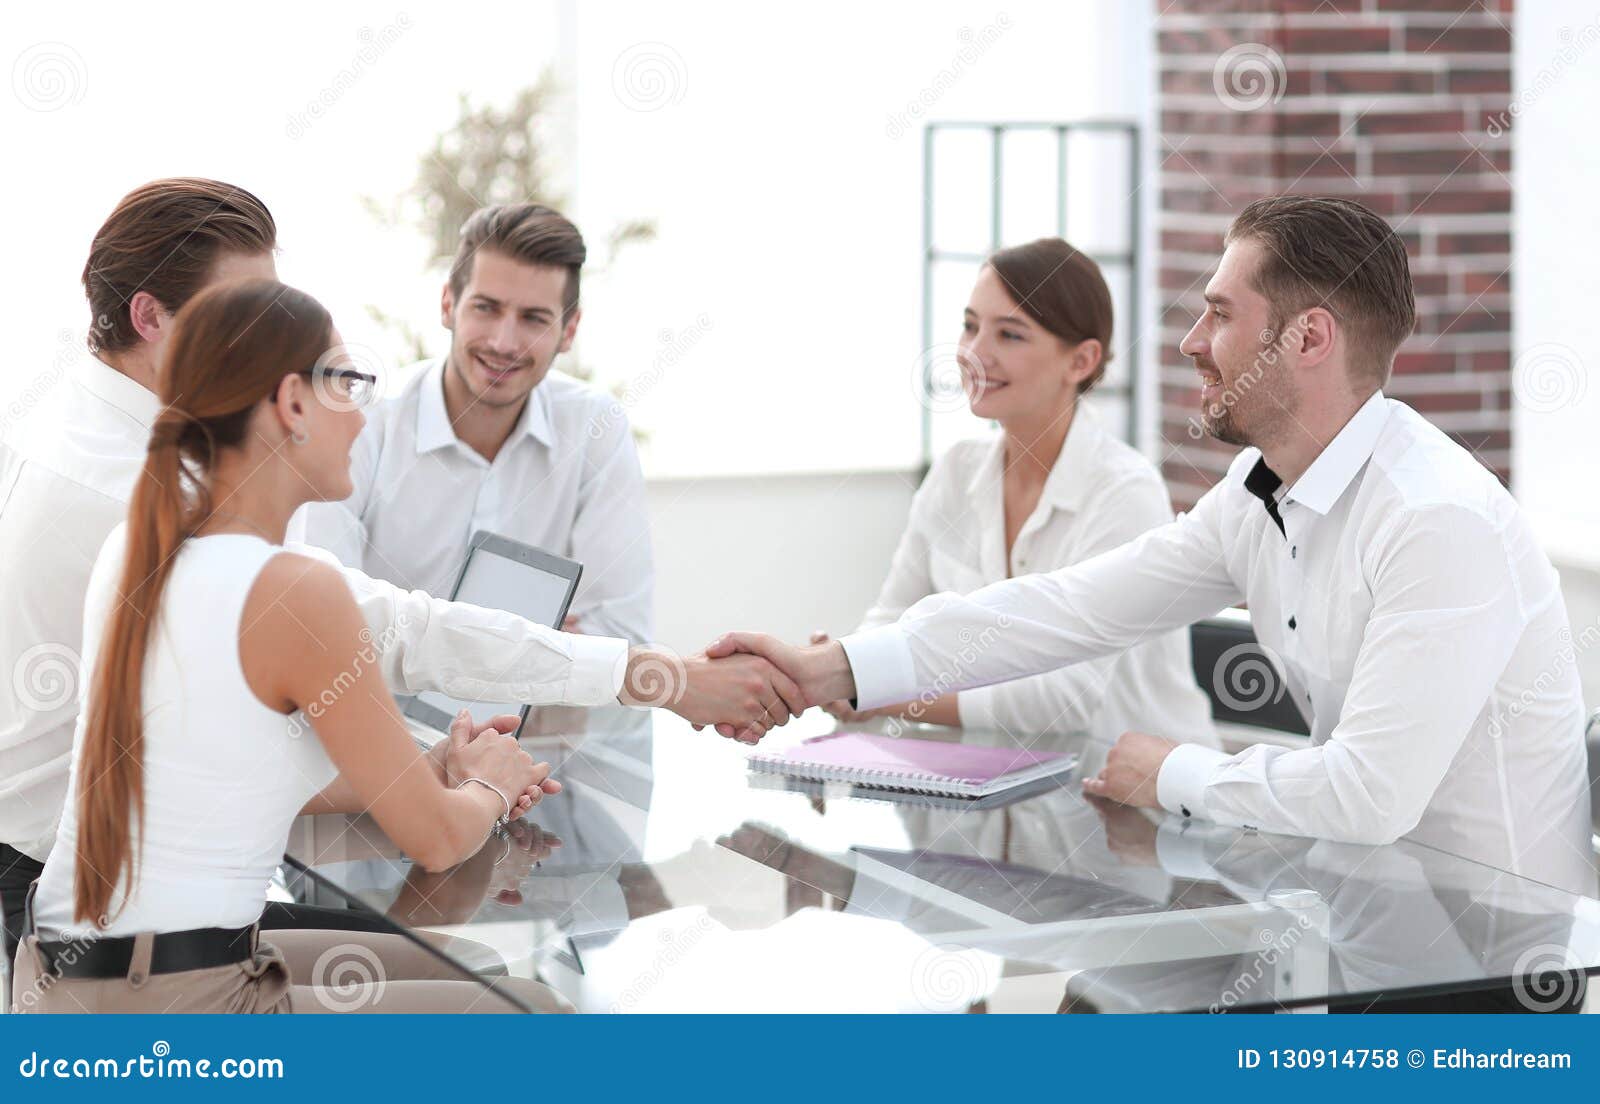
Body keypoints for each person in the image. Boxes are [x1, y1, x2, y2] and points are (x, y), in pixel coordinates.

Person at [0, 178, 797, 971]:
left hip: (112, 934)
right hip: (121, 940)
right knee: (498, 993)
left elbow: (269, 731)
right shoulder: (141, 502)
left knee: (467, 970)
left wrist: (428, 764)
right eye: (243, 317)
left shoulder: (105, 459)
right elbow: (396, 643)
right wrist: (484, 769)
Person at [705, 195, 1594, 897]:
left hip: (1497, 956)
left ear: (1310, 336)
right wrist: (837, 671)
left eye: (1218, 314)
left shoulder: (1437, 519)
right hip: (1370, 916)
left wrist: (1176, 769)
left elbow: (1369, 794)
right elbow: (1071, 608)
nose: (1190, 343)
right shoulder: (1256, 492)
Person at [814, 239, 1216, 748]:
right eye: (969, 326)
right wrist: (845, 664)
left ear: (1081, 361)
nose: (975, 354)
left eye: (1009, 334)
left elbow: (1060, 701)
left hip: (1134, 805)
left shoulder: (1124, 492)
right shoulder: (957, 471)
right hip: (998, 792)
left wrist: (859, 684)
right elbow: (892, 620)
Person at [291, 204, 653, 644]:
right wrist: (534, 642)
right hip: (374, 706)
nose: (505, 343)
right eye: (486, 308)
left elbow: (619, 635)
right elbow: (325, 613)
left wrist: (408, 628)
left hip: (538, 714)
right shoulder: (363, 421)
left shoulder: (595, 427)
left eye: (534, 319)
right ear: (448, 304)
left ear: (569, 330)